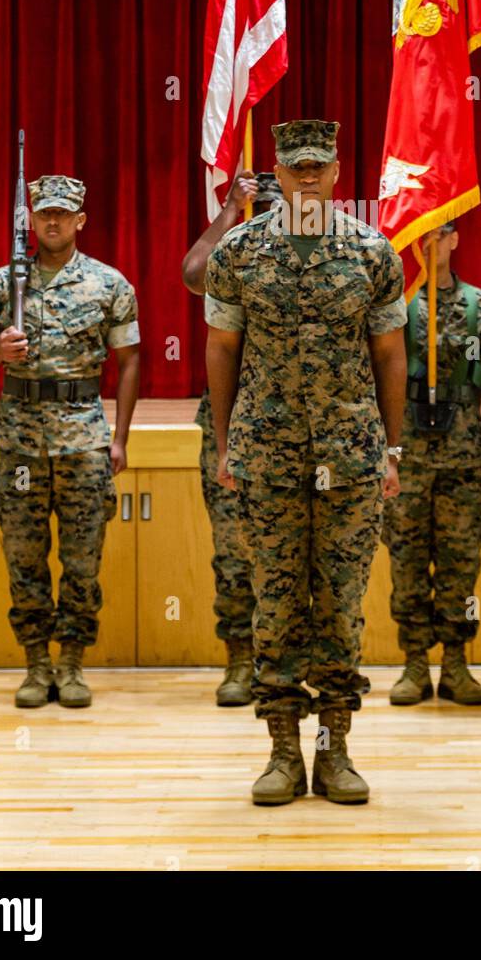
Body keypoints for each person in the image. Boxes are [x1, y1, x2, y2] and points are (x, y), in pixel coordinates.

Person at [205, 119, 407, 806]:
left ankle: (336, 751)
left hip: (350, 454)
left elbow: (389, 355)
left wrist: (393, 448)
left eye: (319, 166)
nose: (308, 177)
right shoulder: (240, 251)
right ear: (277, 174)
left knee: (342, 605)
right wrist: (227, 440)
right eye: (296, 168)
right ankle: (284, 753)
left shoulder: (372, 251)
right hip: (268, 450)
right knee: (277, 603)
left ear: (338, 170)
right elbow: (223, 350)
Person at [0, 174, 140, 708]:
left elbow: (130, 361)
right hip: (19, 438)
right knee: (23, 557)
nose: (52, 222)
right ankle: (35, 664)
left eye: (62, 214)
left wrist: (120, 437)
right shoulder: (3, 285)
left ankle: (71, 663)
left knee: (83, 558)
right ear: (31, 219)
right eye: (44, 213)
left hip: (83, 438)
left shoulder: (109, 284)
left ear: (79, 221)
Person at [383, 221, 481, 706]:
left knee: (461, 561)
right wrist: (385, 456)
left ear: (456, 239)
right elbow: (377, 380)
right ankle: (415, 662)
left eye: (444, 233)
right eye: (425, 234)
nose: (432, 243)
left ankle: (455, 662)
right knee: (406, 559)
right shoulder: (396, 307)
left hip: (460, 454)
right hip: (408, 453)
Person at [181, 168, 282, 706]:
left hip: (292, 421)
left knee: (286, 551)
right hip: (231, 419)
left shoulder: (308, 253)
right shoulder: (233, 254)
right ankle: (240, 659)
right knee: (232, 549)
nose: (264, 210)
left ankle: (279, 660)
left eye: (272, 201)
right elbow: (193, 272)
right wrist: (228, 211)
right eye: (257, 202)